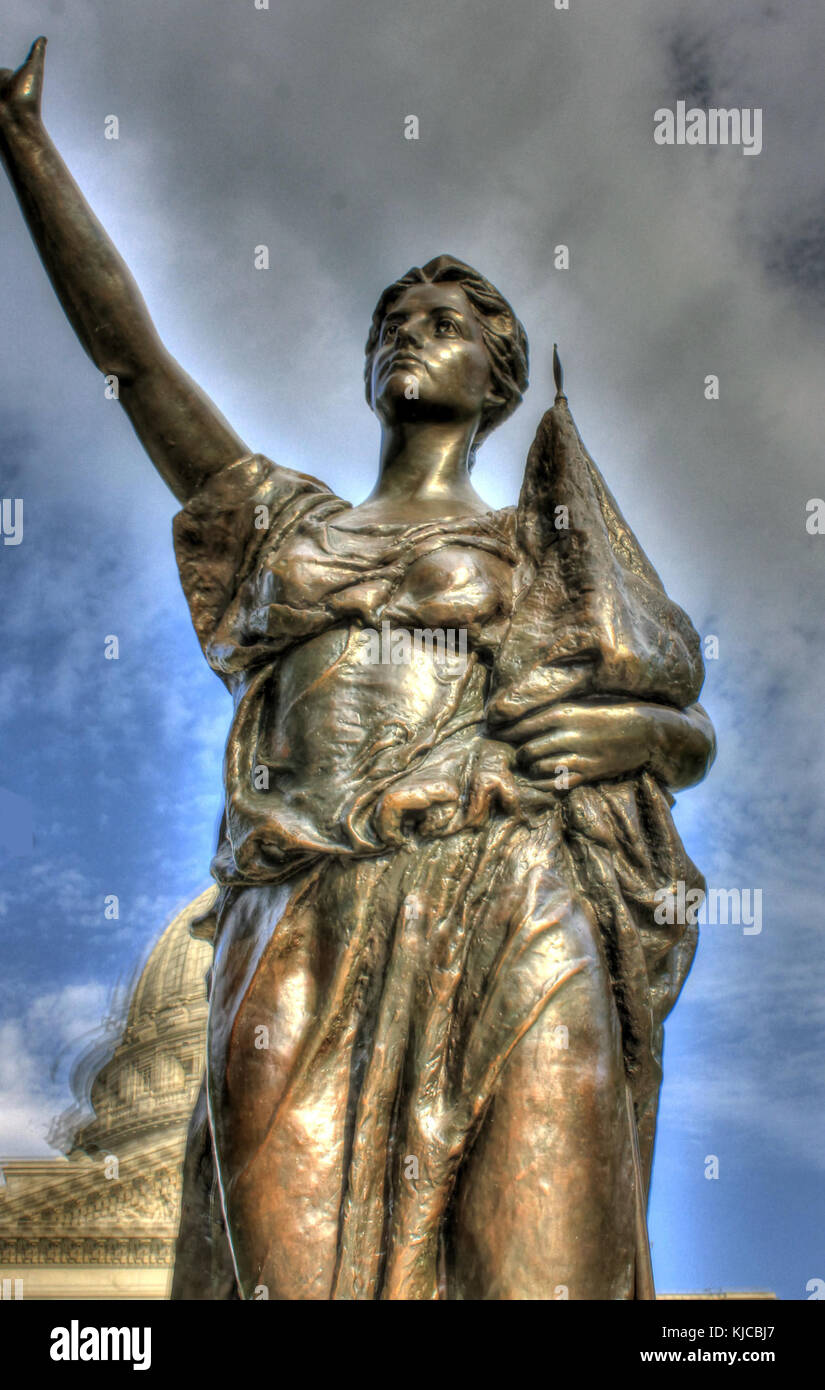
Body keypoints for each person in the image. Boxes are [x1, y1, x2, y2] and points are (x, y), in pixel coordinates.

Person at [0, 38, 715, 1300]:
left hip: (514, 889)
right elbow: (136, 365)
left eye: (443, 325)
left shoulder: (534, 544)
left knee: (539, 1270)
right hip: (307, 914)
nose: (409, 337)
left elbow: (675, 721)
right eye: (392, 323)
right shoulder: (286, 523)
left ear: (497, 380)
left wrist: (632, 741)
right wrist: (25, 150)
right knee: (293, 1281)